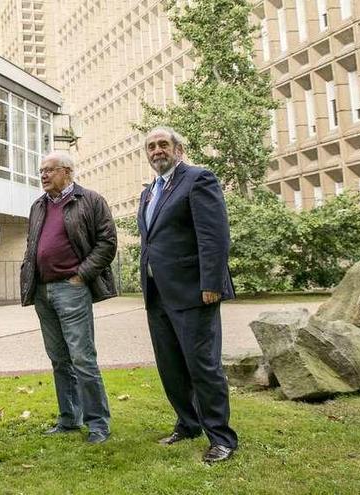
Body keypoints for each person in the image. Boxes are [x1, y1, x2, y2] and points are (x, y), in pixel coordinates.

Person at [137, 126, 238, 463]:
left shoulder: (198, 179)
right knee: (171, 365)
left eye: (163, 144)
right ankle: (188, 423)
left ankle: (221, 438)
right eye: (151, 147)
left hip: (194, 291)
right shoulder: (149, 191)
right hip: (158, 294)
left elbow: (214, 235)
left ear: (178, 149)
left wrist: (212, 283)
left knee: (203, 366)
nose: (156, 151)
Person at [20, 151, 117, 444]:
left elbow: (107, 242)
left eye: (49, 170)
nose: (44, 176)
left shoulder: (90, 200)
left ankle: (98, 423)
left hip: (71, 288)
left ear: (67, 172)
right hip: (43, 291)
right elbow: (33, 245)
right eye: (41, 171)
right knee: (59, 359)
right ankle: (69, 419)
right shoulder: (38, 205)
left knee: (82, 358)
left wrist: (81, 275)